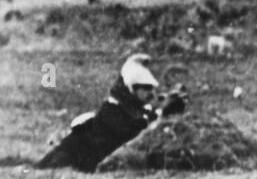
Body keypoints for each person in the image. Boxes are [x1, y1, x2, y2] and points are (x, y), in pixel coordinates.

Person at [36, 55, 184, 172]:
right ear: (132, 89)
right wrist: (158, 111)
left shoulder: (128, 109)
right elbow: (131, 131)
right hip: (70, 158)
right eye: (146, 88)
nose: (151, 93)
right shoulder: (113, 110)